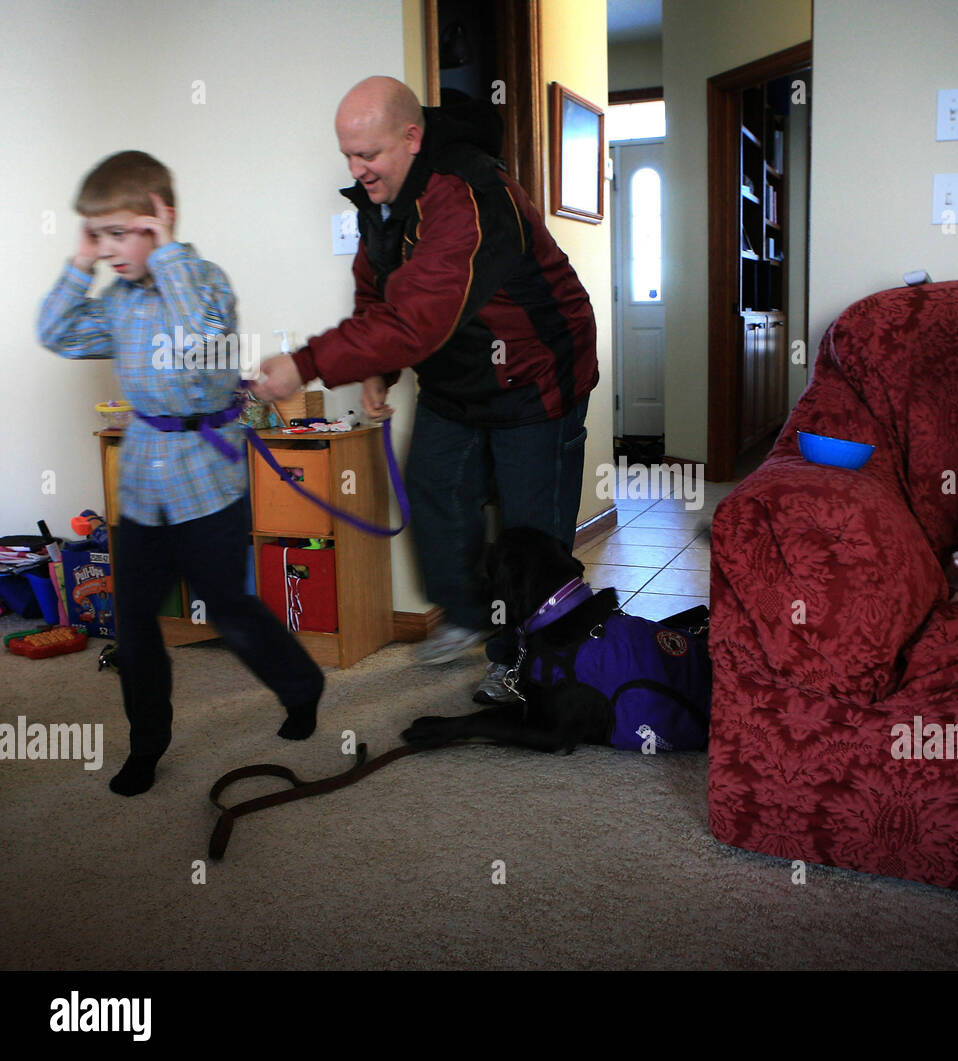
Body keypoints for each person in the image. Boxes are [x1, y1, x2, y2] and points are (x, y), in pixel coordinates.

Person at [253, 77, 599, 700]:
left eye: (369, 155)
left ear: (412, 137)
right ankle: (471, 616)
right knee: (433, 486)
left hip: (536, 372)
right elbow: (376, 287)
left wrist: (303, 364)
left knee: (530, 534)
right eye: (348, 157)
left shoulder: (469, 193)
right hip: (453, 377)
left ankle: (525, 656)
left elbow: (417, 317)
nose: (357, 170)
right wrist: (374, 367)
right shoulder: (384, 198)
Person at [38, 151, 325, 796]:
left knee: (228, 605)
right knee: (135, 620)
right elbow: (55, 332)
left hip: (206, 483)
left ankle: (302, 687)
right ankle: (147, 744)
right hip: (142, 486)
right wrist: (78, 263)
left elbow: (209, 364)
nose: (110, 249)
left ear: (159, 219)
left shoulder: (207, 283)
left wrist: (167, 260)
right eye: (99, 235)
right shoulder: (119, 301)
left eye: (119, 233)